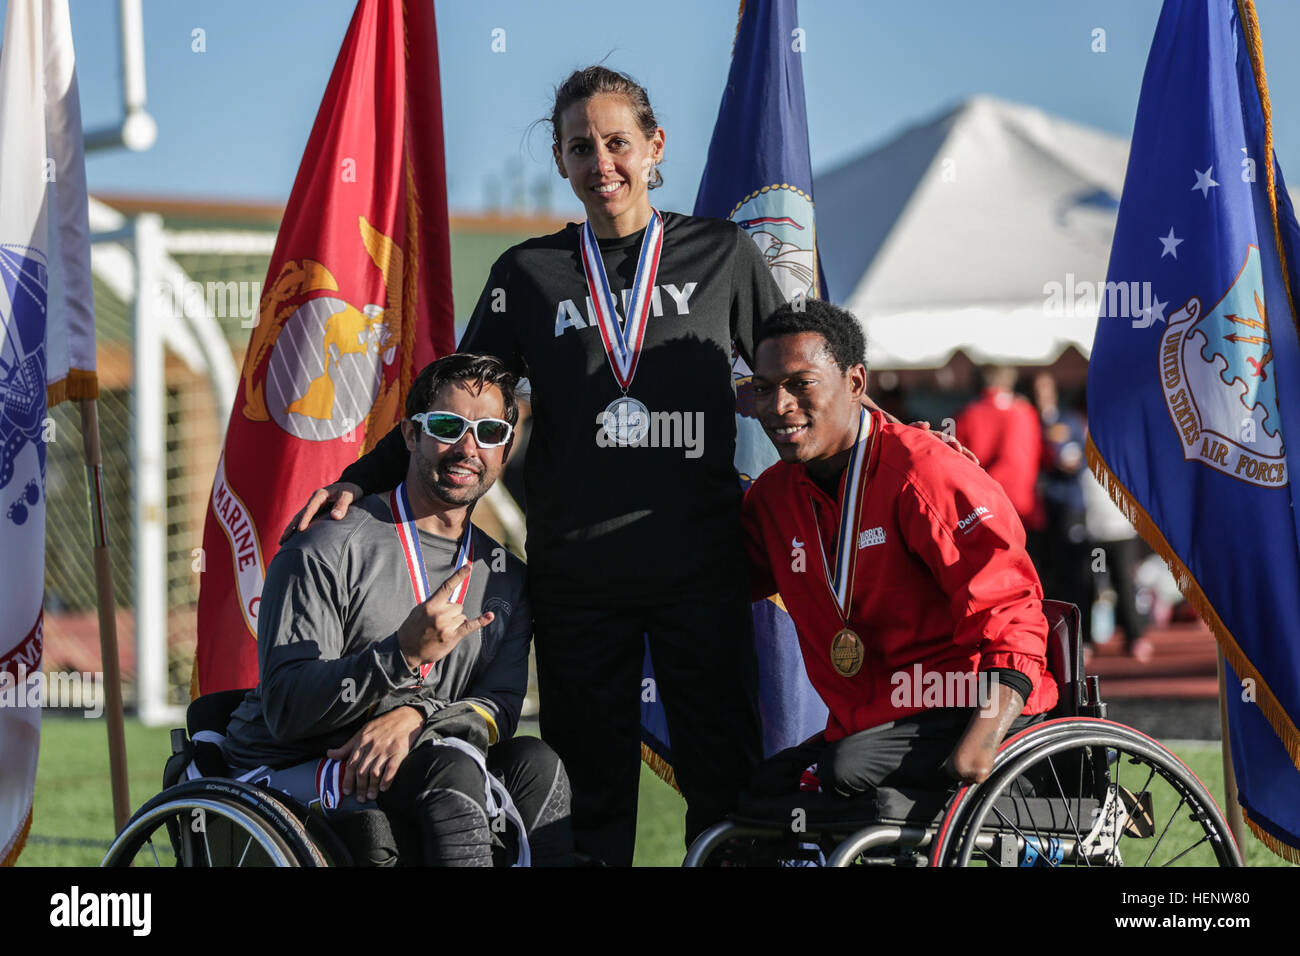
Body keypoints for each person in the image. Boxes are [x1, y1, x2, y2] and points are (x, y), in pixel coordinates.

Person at [222, 354, 572, 866]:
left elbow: (497, 706)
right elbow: (285, 709)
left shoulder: (506, 576)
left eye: (489, 431)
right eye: (448, 426)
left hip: (420, 756)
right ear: (410, 435)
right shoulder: (324, 546)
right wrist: (400, 655)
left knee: (535, 764)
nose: (468, 448)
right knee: (448, 772)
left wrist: (415, 717)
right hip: (290, 767)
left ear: (507, 447)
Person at [742, 301, 1058, 796]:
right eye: (763, 388)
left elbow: (1012, 610)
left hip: (965, 709)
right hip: (869, 723)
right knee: (751, 794)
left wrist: (982, 739)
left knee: (840, 772)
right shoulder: (774, 496)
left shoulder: (922, 471)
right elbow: (714, 579)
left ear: (854, 383)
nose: (778, 405)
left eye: (801, 384)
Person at [955, 365, 1043, 533]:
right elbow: (1041, 455)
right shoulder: (1025, 412)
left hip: (984, 508)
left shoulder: (967, 415)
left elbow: (957, 462)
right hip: (1023, 507)